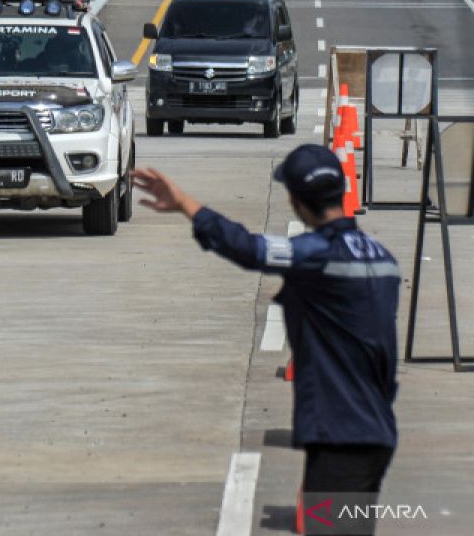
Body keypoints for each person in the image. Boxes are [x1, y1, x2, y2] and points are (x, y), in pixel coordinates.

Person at [132, 144, 399, 536]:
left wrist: (186, 204)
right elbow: (386, 361)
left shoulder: (315, 256)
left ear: (294, 199)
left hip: (340, 434)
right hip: (375, 430)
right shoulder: (383, 259)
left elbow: (248, 248)